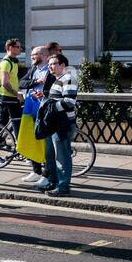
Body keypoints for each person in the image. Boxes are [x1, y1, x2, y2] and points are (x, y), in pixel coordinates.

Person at [36, 53, 78, 196]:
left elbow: (69, 102)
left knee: (62, 157)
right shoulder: (57, 79)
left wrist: (50, 107)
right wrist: (45, 98)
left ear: (62, 65)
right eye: (49, 64)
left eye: (53, 64)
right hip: (54, 124)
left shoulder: (68, 79)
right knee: (51, 155)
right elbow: (57, 99)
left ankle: (63, 187)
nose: (50, 67)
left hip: (63, 124)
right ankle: (54, 182)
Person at [17, 45, 50, 184]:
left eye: (34, 55)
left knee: (45, 142)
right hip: (31, 109)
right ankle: (36, 170)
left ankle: (46, 174)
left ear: (44, 56)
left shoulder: (50, 70)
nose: (31, 58)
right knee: (32, 139)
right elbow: (22, 82)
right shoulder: (33, 70)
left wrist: (42, 92)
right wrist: (36, 82)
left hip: (45, 110)